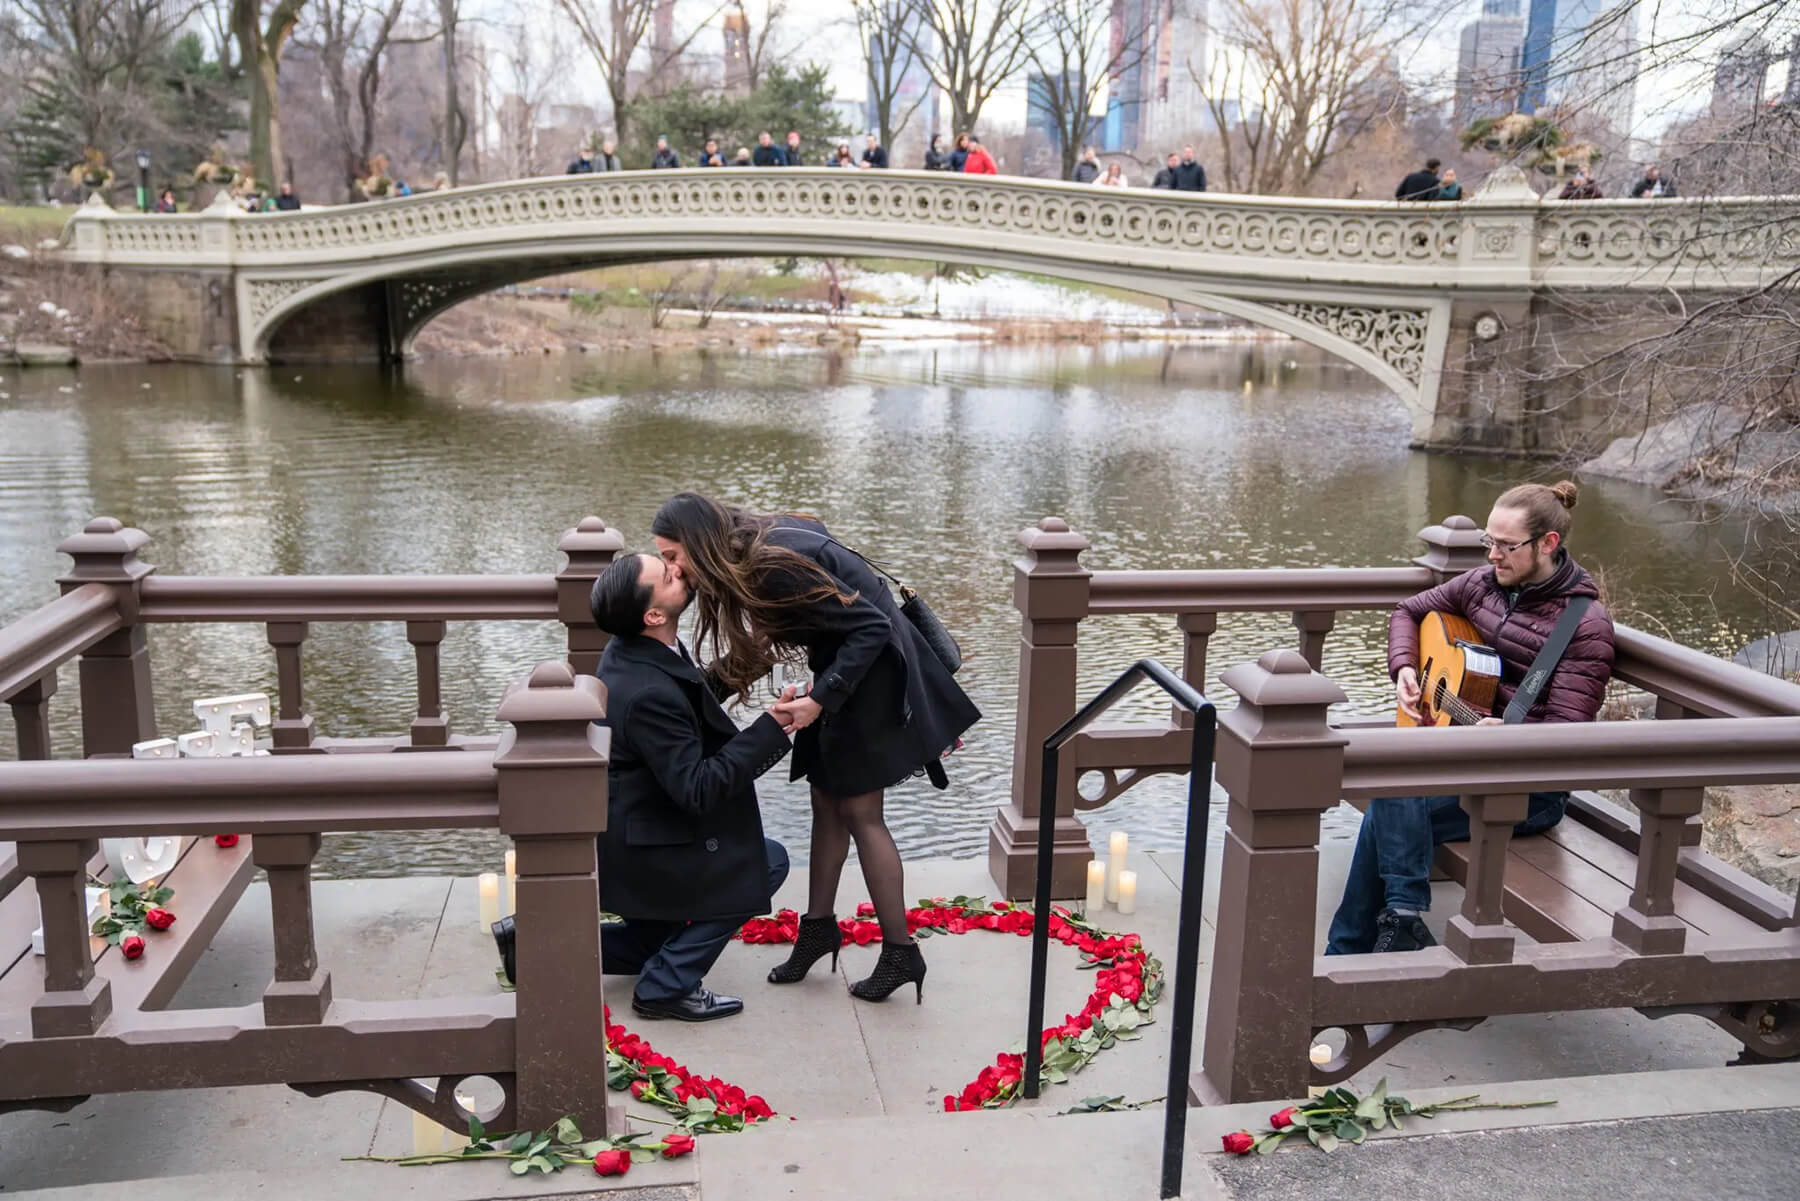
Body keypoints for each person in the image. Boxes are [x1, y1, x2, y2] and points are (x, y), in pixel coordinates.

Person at [650, 494, 981, 1003]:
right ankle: (819, 930)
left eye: (673, 555)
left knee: (861, 813)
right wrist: (698, 692)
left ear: (698, 541)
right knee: (825, 803)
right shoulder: (751, 547)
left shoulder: (767, 564)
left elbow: (870, 626)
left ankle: (900, 953)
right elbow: (782, 631)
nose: (671, 568)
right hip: (847, 667)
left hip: (871, 675)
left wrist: (820, 701)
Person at [496, 551, 801, 1021]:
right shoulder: (646, 693)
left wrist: (749, 659)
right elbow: (698, 789)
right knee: (766, 860)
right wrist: (771, 728)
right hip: (649, 850)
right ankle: (664, 986)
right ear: (654, 614)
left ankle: (535, 944)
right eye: (667, 574)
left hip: (635, 828)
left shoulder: (632, 650)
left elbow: (686, 699)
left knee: (652, 940)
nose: (679, 569)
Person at [1324, 481, 1615, 955]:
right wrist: (1404, 668)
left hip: (1528, 787)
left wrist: (1513, 736)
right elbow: (1407, 611)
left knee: (1388, 803)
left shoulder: (1583, 625)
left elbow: (1570, 735)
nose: (1493, 556)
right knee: (1393, 788)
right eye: (1489, 542)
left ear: (1548, 544)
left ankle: (1357, 945)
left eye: (1505, 546)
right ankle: (1399, 922)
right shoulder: (1483, 584)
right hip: (1464, 759)